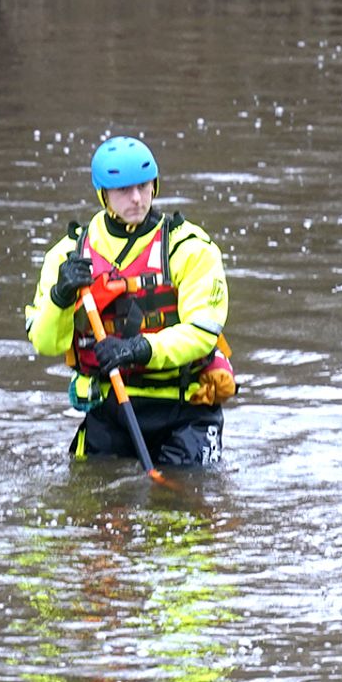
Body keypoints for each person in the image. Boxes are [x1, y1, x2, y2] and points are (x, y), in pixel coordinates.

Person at [25, 136, 236, 468]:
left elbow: (201, 334)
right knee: (95, 505)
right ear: (103, 194)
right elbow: (45, 342)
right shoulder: (68, 256)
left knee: (186, 503)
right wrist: (60, 297)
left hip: (185, 410)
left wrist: (137, 349)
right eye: (123, 190)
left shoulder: (190, 249)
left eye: (143, 186)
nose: (137, 199)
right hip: (112, 409)